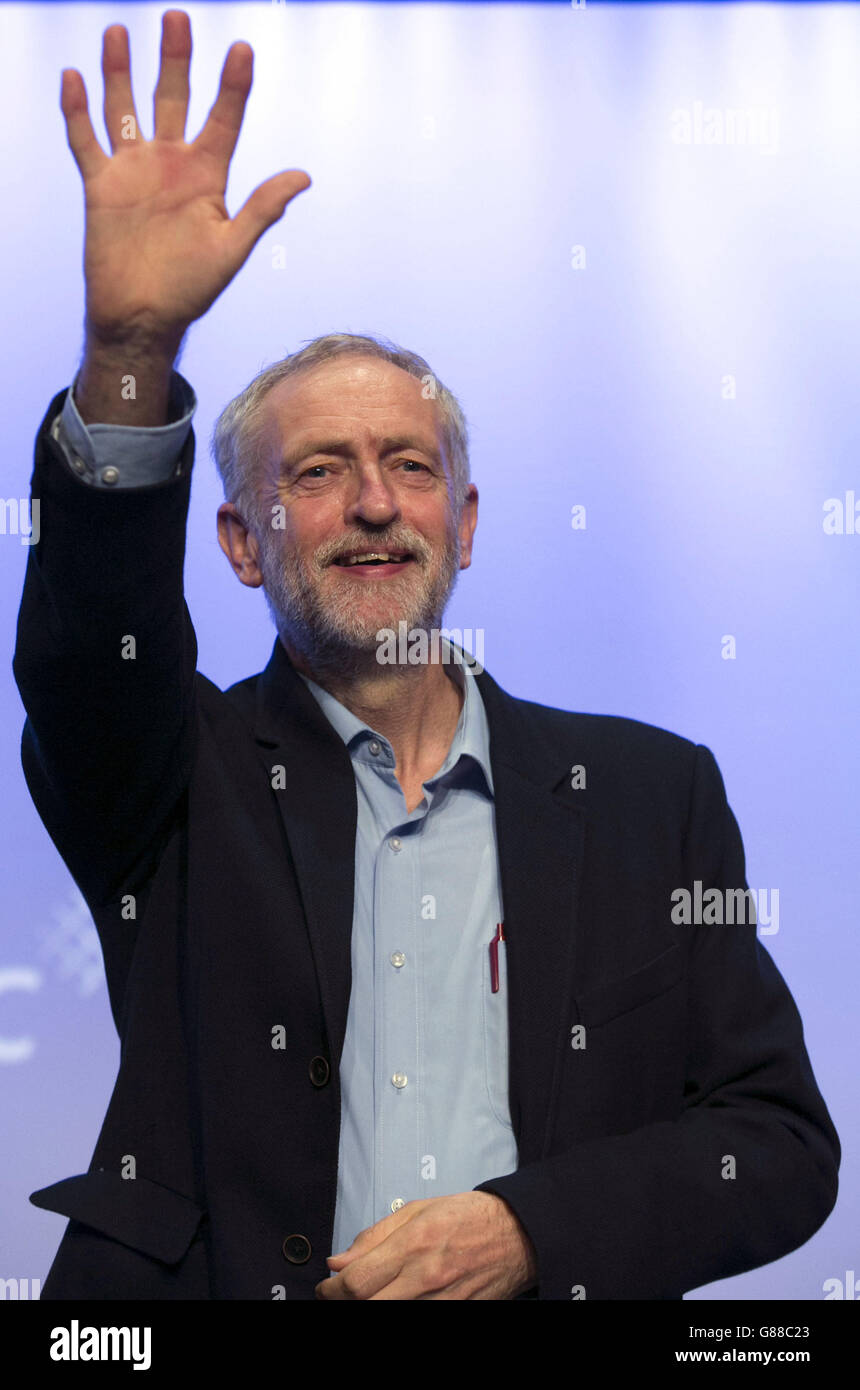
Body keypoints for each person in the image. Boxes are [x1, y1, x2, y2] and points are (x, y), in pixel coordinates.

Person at [14, 10, 839, 1300]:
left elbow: (776, 1146)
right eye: (317, 472)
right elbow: (88, 655)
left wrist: (530, 1233)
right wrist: (129, 358)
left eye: (409, 465)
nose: (374, 503)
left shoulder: (655, 796)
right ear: (241, 542)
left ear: (465, 521)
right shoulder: (169, 778)